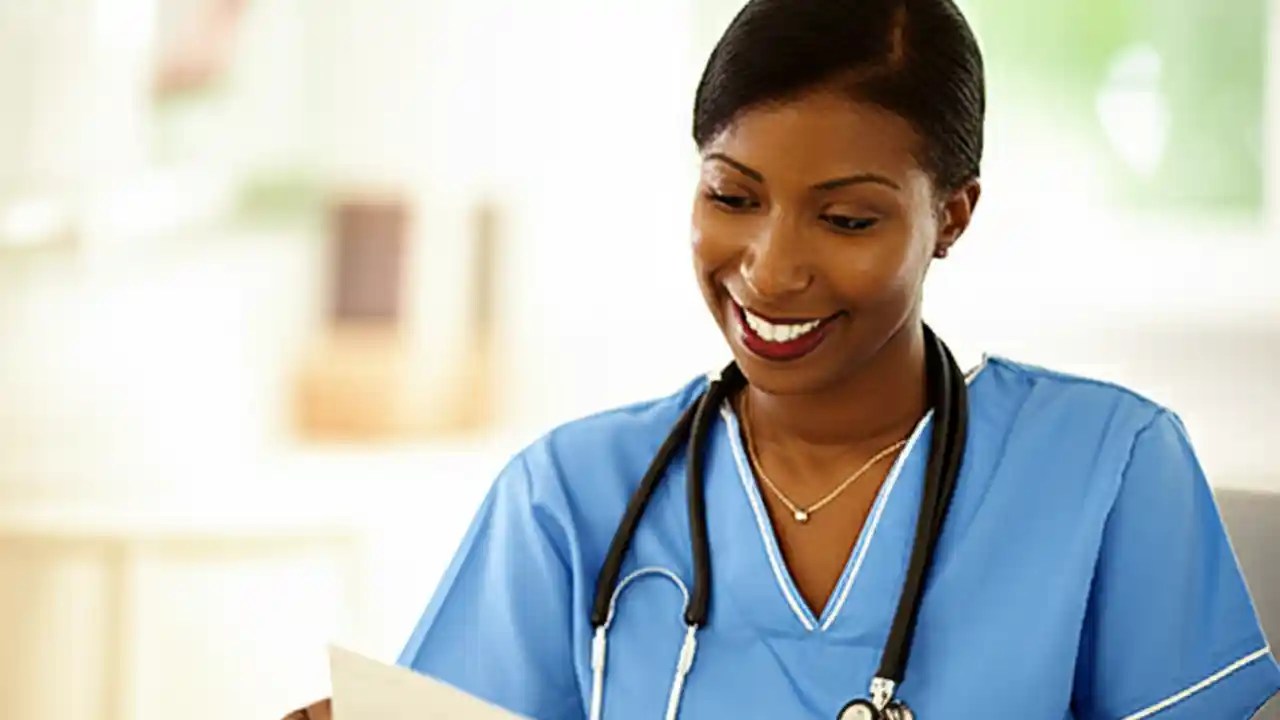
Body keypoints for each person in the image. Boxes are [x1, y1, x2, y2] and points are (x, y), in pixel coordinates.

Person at [283, 0, 1280, 717]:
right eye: (731, 197)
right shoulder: (569, 493)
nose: (770, 269)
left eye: (844, 218)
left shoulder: (1103, 466)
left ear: (951, 217)